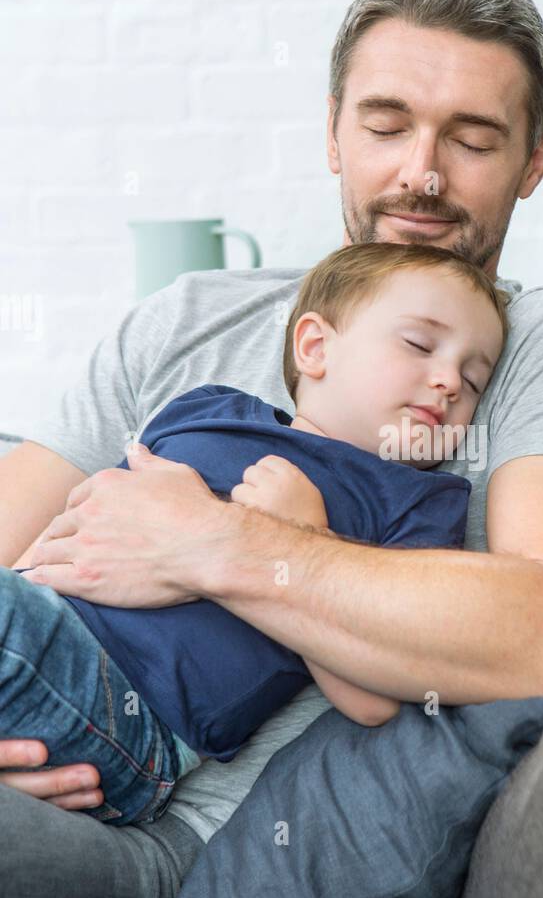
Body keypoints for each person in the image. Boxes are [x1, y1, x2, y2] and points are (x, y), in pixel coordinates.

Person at [0, 0, 543, 898]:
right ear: (333, 132)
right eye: (386, 125)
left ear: (535, 161)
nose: (422, 172)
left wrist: (215, 541)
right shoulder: (188, 321)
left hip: (155, 842)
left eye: (474, 139)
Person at [3, 243, 508, 824]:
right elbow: (83, 516)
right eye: (420, 346)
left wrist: (302, 536)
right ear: (315, 348)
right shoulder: (207, 409)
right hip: (37, 620)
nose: (448, 382)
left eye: (474, 380)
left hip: (132, 718)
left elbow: (372, 703)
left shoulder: (419, 505)